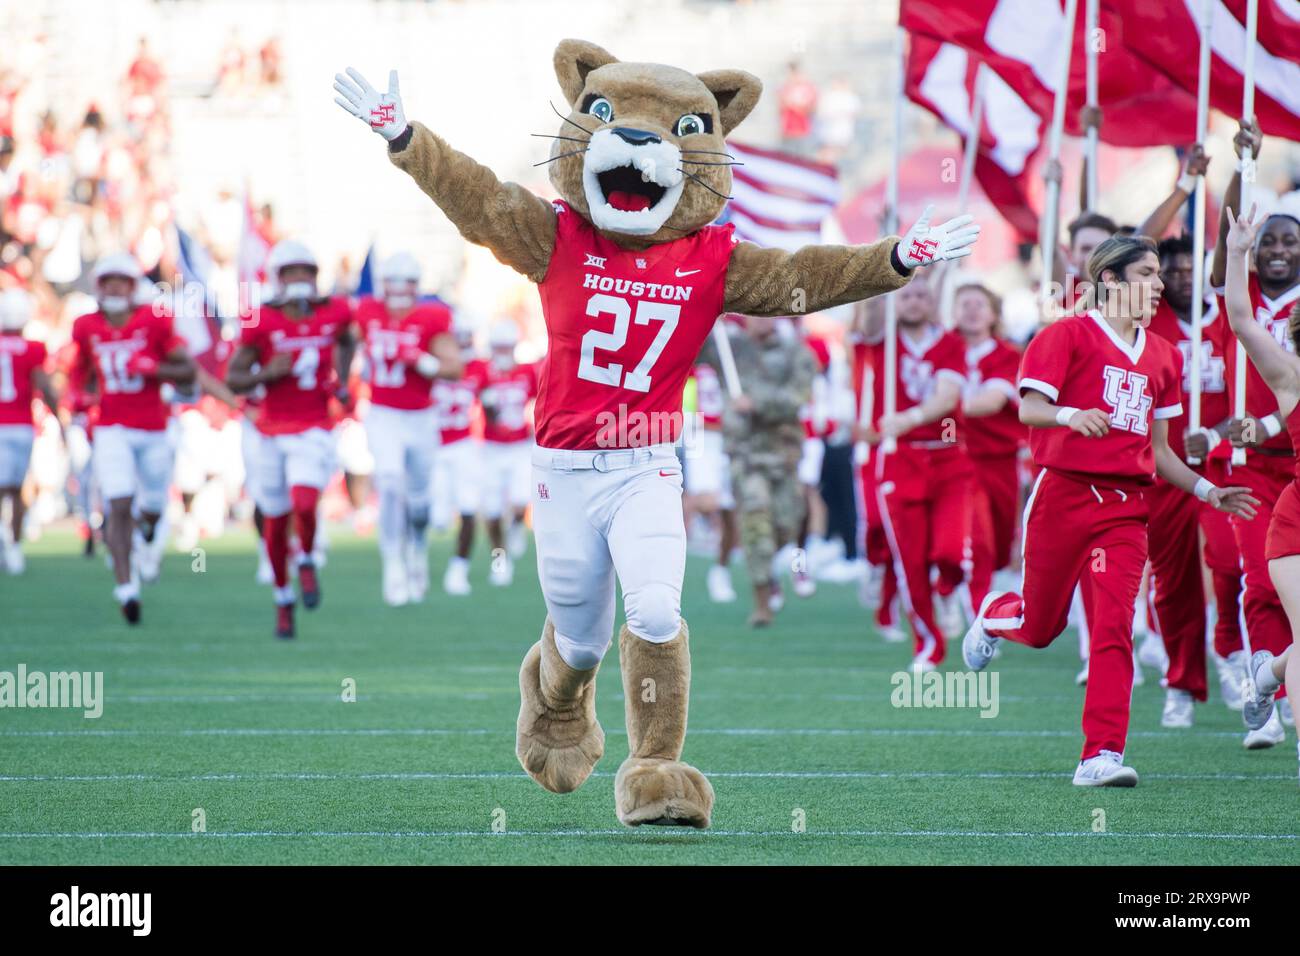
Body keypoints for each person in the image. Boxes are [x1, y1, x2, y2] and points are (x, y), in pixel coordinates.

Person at [335, 47, 975, 828]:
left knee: (657, 613)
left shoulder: (713, 258)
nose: (639, 148)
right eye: (613, 121)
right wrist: (408, 140)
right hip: (563, 468)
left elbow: (806, 275)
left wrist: (895, 258)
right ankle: (557, 697)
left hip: (646, 463)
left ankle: (654, 768)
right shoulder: (559, 234)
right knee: (578, 638)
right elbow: (481, 200)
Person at [962, 235, 1257, 787]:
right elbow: (1030, 406)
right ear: (1112, 281)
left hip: (1125, 510)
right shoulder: (1065, 335)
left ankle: (1100, 754)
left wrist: (1207, 492)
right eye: (1146, 273)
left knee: (1114, 627)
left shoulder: (1166, 356)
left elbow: (1162, 451)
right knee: (1041, 626)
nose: (1159, 284)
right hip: (1063, 495)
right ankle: (996, 615)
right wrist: (1070, 415)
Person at [1209, 120, 1300, 746]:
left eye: (1288, 240)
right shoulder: (1290, 367)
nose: (1279, 250)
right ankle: (1270, 691)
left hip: (1278, 459)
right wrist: (1238, 247)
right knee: (1256, 583)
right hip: (1274, 484)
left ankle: (1267, 672)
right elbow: (1238, 314)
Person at [226, 239, 356, 638]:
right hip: (269, 428)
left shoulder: (333, 311)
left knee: (305, 501)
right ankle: (283, 597)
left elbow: (349, 338)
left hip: (313, 424)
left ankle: (307, 560)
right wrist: (266, 374)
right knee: (276, 518)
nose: (300, 280)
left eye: (306, 272)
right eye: (292, 272)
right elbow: (234, 378)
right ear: (278, 278)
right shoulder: (261, 320)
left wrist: (343, 379)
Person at [70, 253, 196, 623]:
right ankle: (126, 587)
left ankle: (148, 532)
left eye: (119, 281)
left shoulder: (153, 321)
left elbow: (187, 372)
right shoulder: (86, 326)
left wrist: (154, 368)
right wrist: (78, 396)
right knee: (117, 503)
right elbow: (80, 372)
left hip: (153, 428)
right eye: (107, 281)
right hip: (112, 426)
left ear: (131, 285)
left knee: (152, 508)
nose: (112, 288)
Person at [1147, 233, 1241, 726]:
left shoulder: (1229, 317)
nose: (1184, 277)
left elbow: (1254, 397)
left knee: (1230, 561)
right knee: (1174, 580)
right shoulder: (1149, 321)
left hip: (1222, 466)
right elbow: (1132, 240)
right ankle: (1181, 681)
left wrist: (1220, 435)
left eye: (1191, 268)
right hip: (1165, 469)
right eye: (1173, 271)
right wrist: (1184, 186)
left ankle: (1230, 648)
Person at [862, 278, 969, 670]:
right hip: (899, 461)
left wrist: (907, 418)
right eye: (905, 294)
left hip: (947, 458)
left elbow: (947, 398)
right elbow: (867, 316)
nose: (913, 302)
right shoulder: (881, 341)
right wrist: (884, 271)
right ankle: (928, 643)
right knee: (910, 560)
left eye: (922, 294)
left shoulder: (950, 343)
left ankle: (949, 588)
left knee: (950, 551)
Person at [355, 251, 461, 606]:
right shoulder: (367, 311)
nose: (400, 291)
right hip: (383, 413)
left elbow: (455, 368)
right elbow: (340, 337)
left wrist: (423, 361)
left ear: (417, 287)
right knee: (387, 482)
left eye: (407, 284)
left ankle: (416, 547)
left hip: (421, 416)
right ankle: (393, 566)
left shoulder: (432, 317)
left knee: (419, 501)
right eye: (393, 283)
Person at [699, 314, 815, 627]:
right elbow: (691, 347)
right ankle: (762, 601)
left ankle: (770, 567)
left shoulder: (796, 353)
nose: (763, 318)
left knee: (787, 525)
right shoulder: (728, 347)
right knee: (755, 522)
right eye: (756, 311)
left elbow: (797, 398)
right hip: (745, 455)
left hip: (784, 455)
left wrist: (757, 403)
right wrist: (706, 313)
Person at [953, 281, 1024, 616]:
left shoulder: (1008, 355)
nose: (971, 310)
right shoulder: (942, 349)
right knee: (975, 540)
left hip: (999, 460)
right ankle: (978, 612)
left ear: (994, 314)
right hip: (955, 459)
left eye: (979, 304)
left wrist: (940, 404)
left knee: (998, 542)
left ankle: (966, 589)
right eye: (963, 303)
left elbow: (989, 402)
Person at [463, 320, 537, 586]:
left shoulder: (527, 372)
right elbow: (470, 395)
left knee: (520, 500)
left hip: (519, 447)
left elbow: (539, 400)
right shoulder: (483, 371)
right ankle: (499, 561)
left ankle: (517, 525)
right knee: (492, 512)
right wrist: (486, 400)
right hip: (492, 448)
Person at [0, 288, 59, 574]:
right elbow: (44, 386)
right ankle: (13, 544)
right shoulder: (34, 348)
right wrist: (59, 415)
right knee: (16, 488)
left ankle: (6, 540)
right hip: (21, 425)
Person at [433, 312, 482, 595]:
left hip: (464, 444)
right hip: (433, 445)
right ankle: (413, 560)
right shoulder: (434, 364)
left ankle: (458, 569)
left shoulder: (479, 367)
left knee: (467, 507)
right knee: (437, 519)